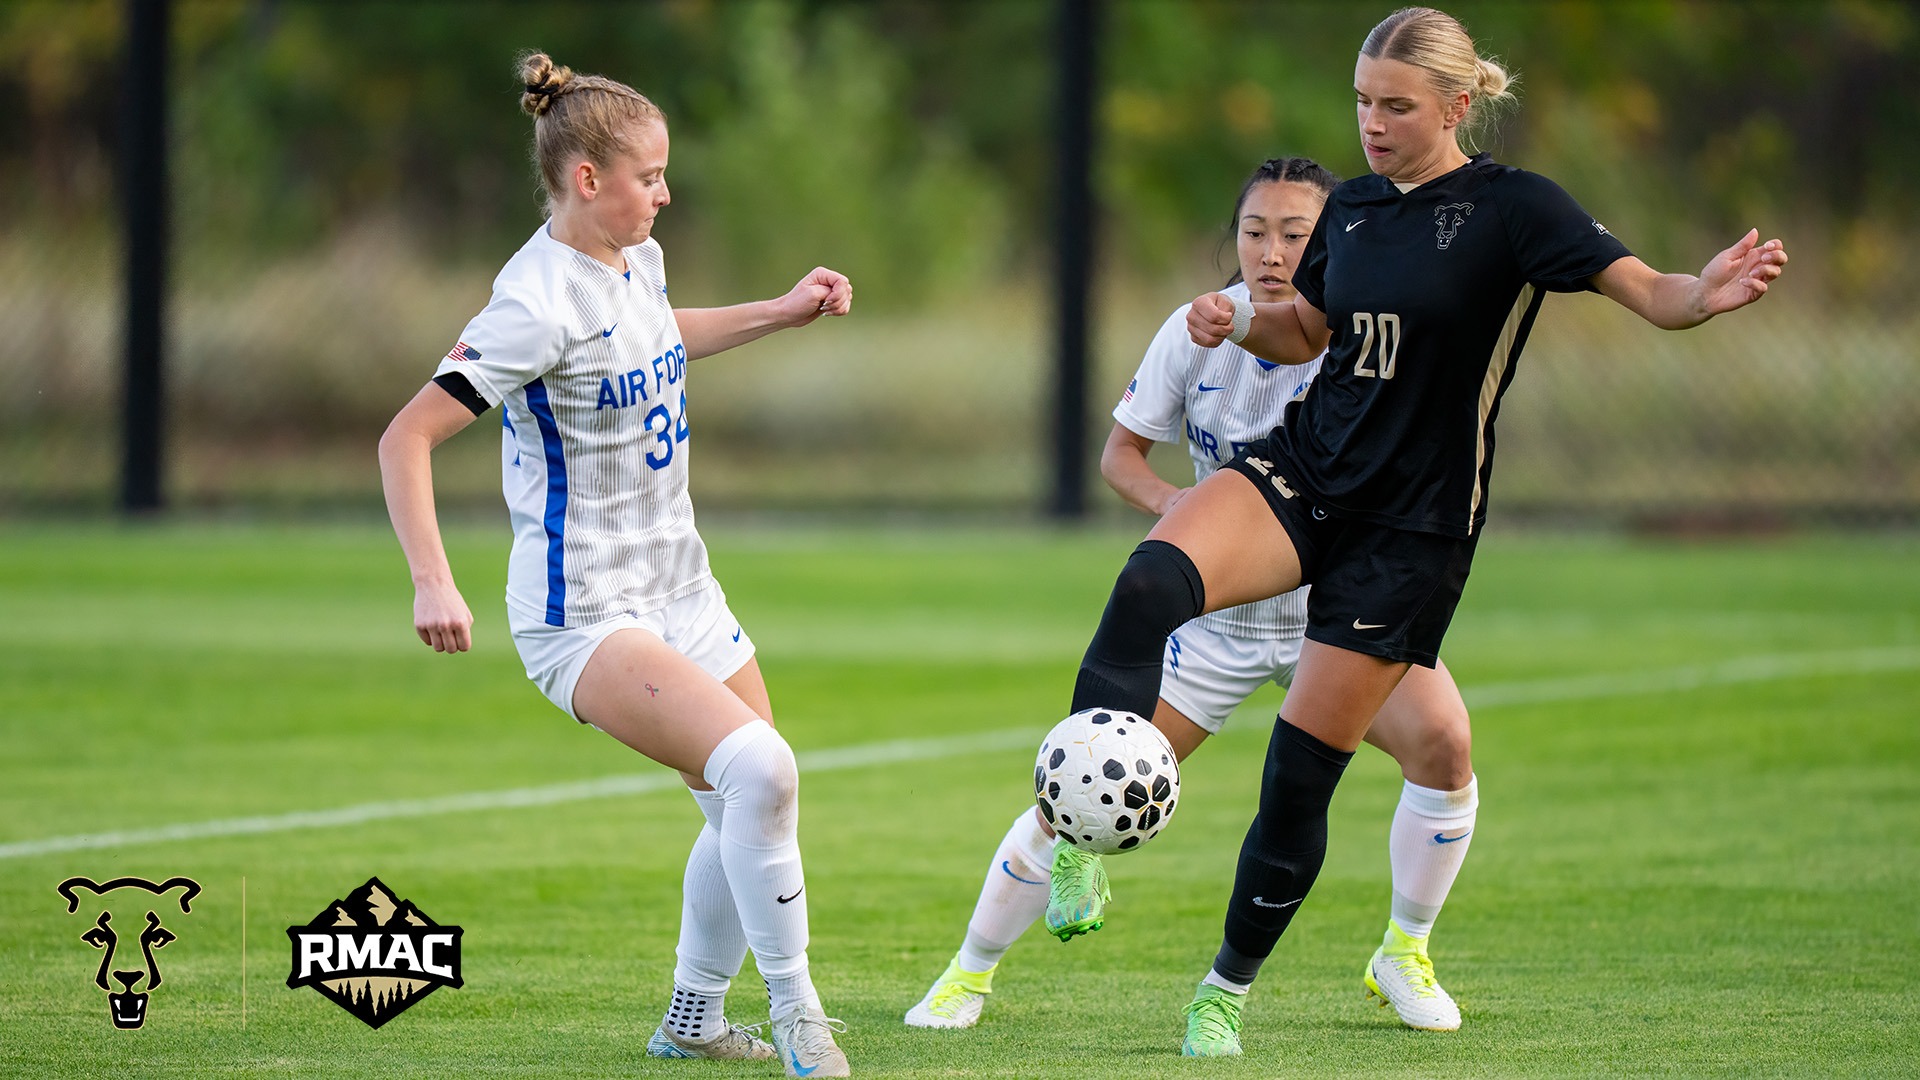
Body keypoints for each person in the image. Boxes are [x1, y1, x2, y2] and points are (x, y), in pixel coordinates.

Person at [1059, 6, 1788, 1057]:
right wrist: (1236, 323)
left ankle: (1223, 992)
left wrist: (1701, 297)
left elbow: (1655, 295)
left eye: (1396, 106)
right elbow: (1308, 328)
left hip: (1415, 527)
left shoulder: (1515, 209)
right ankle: (1087, 817)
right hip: (1308, 469)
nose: (1373, 124)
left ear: (1458, 104)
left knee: (1298, 775)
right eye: (1362, 102)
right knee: (1148, 585)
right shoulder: (1349, 209)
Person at [906, 157, 1479, 1035]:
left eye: (1298, 234)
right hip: (1216, 622)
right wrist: (1189, 515)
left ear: (1335, 242)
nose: (1274, 253)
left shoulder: (1368, 335)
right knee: (1083, 790)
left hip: (1335, 616)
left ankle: (1404, 953)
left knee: (1444, 752)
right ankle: (966, 977)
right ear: (1234, 239)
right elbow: (1120, 458)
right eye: (1256, 232)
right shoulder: (1197, 329)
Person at [377, 53, 854, 1078]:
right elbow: (404, 438)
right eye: (649, 176)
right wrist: (432, 578)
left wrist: (778, 310)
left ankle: (691, 1020)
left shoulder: (637, 257)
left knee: (747, 795)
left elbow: (654, 340)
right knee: (762, 768)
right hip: (585, 613)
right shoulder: (530, 303)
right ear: (586, 178)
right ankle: (801, 1018)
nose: (666, 193)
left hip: (682, 586)